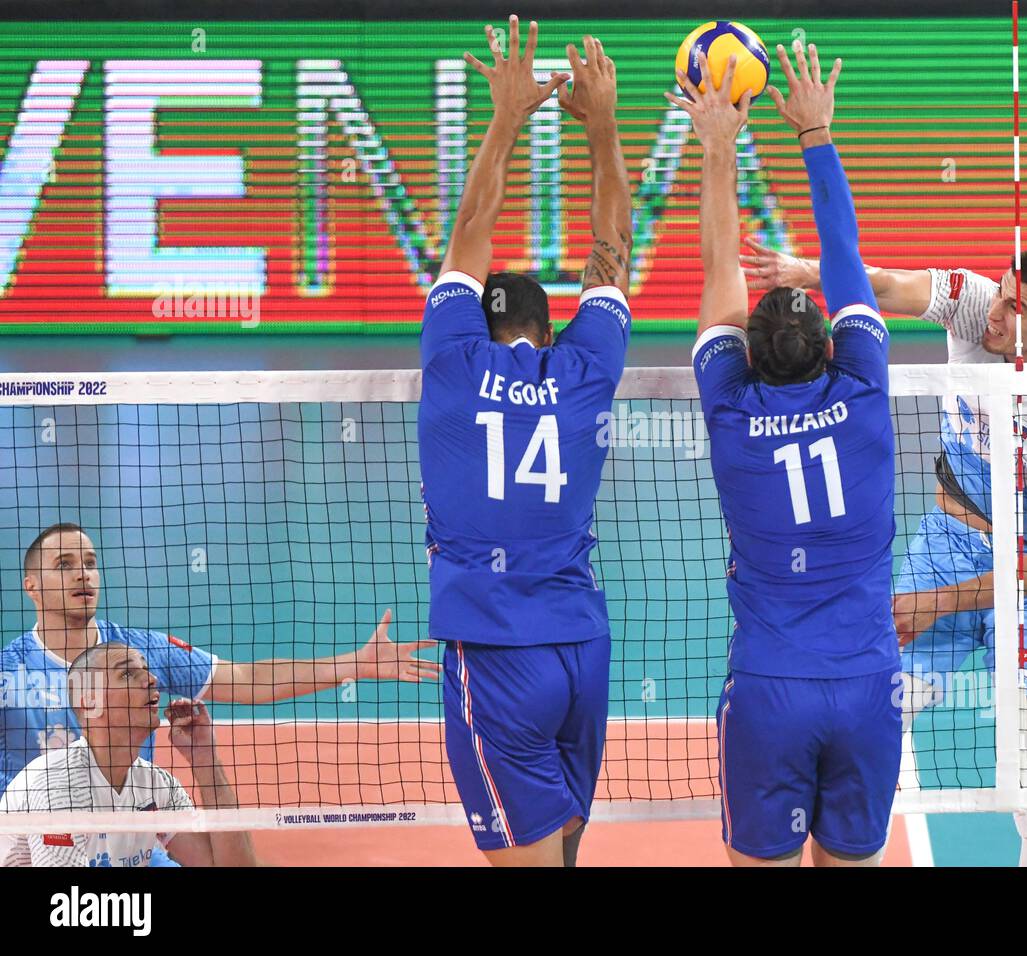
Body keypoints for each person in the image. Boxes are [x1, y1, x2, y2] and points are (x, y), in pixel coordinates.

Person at [743, 226, 1027, 869]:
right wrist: (808, 271)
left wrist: (939, 604)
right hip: (947, 545)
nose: (996, 315)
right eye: (1002, 296)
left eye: (1017, 309)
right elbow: (886, 283)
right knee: (873, 729)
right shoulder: (978, 306)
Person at [669, 43, 900, 867]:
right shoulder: (865, 385)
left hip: (770, 692)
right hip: (870, 687)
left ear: (749, 353)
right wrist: (816, 134)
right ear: (834, 346)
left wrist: (718, 146)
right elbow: (845, 258)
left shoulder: (731, 409)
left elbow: (716, 267)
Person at [419, 18, 632, 866]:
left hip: (495, 654)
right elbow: (611, 255)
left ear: (469, 314)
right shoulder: (584, 368)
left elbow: (474, 221)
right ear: (550, 329)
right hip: (580, 646)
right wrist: (604, 126)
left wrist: (506, 115)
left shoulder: (450, 363)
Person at [3, 522, 438, 795]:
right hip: (34, 830)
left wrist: (354, 665)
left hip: (127, 824)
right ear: (31, 585)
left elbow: (246, 678)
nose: (83, 573)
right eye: (64, 564)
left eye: (91, 562)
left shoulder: (139, 653)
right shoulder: (8, 670)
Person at [0, 643, 256, 866]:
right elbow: (68, 907)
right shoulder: (56, 787)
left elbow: (231, 866)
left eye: (145, 670)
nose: (151, 679)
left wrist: (205, 759)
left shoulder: (157, 785)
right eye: (127, 674)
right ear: (90, 702)